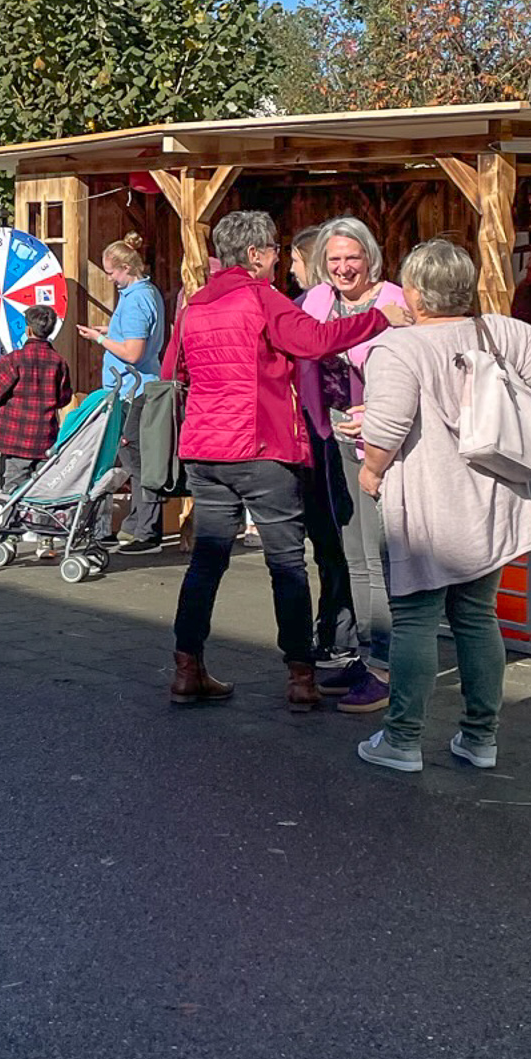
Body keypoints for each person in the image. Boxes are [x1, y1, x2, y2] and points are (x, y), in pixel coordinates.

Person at [163, 209, 411, 709]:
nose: (278, 259)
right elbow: (314, 341)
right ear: (255, 254)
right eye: (274, 250)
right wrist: (381, 318)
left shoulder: (194, 304)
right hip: (261, 447)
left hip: (204, 449)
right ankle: (300, 676)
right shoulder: (261, 297)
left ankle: (187, 669)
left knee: (207, 563)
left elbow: (174, 368)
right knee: (286, 566)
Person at [353, 239, 531, 774]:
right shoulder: (497, 330)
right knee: (477, 616)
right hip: (493, 500)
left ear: (412, 292)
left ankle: (403, 739)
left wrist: (370, 470)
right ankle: (481, 737)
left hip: (429, 507)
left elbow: (385, 429)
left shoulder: (398, 348)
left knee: (414, 618)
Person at [295, 216, 410, 714]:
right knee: (354, 555)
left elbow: (409, 373)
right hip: (332, 439)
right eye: (334, 258)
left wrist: (376, 415)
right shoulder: (318, 301)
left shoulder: (397, 302)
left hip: (381, 447)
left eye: (352, 257)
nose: (343, 267)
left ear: (370, 258)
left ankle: (386, 667)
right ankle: (367, 658)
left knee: (378, 559)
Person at [77, 237, 169, 554]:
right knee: (133, 457)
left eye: (111, 272)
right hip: (137, 385)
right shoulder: (146, 293)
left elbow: (133, 351)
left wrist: (99, 341)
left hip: (134, 389)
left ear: (126, 268)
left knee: (134, 457)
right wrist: (108, 331)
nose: (109, 278)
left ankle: (146, 530)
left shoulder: (135, 300)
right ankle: (136, 525)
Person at [0, 304, 72, 495]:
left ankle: (11, 524)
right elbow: (64, 398)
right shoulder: (59, 362)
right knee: (40, 495)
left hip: (14, 441)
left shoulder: (13, 360)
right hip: (45, 440)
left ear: (28, 329)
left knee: (13, 494)